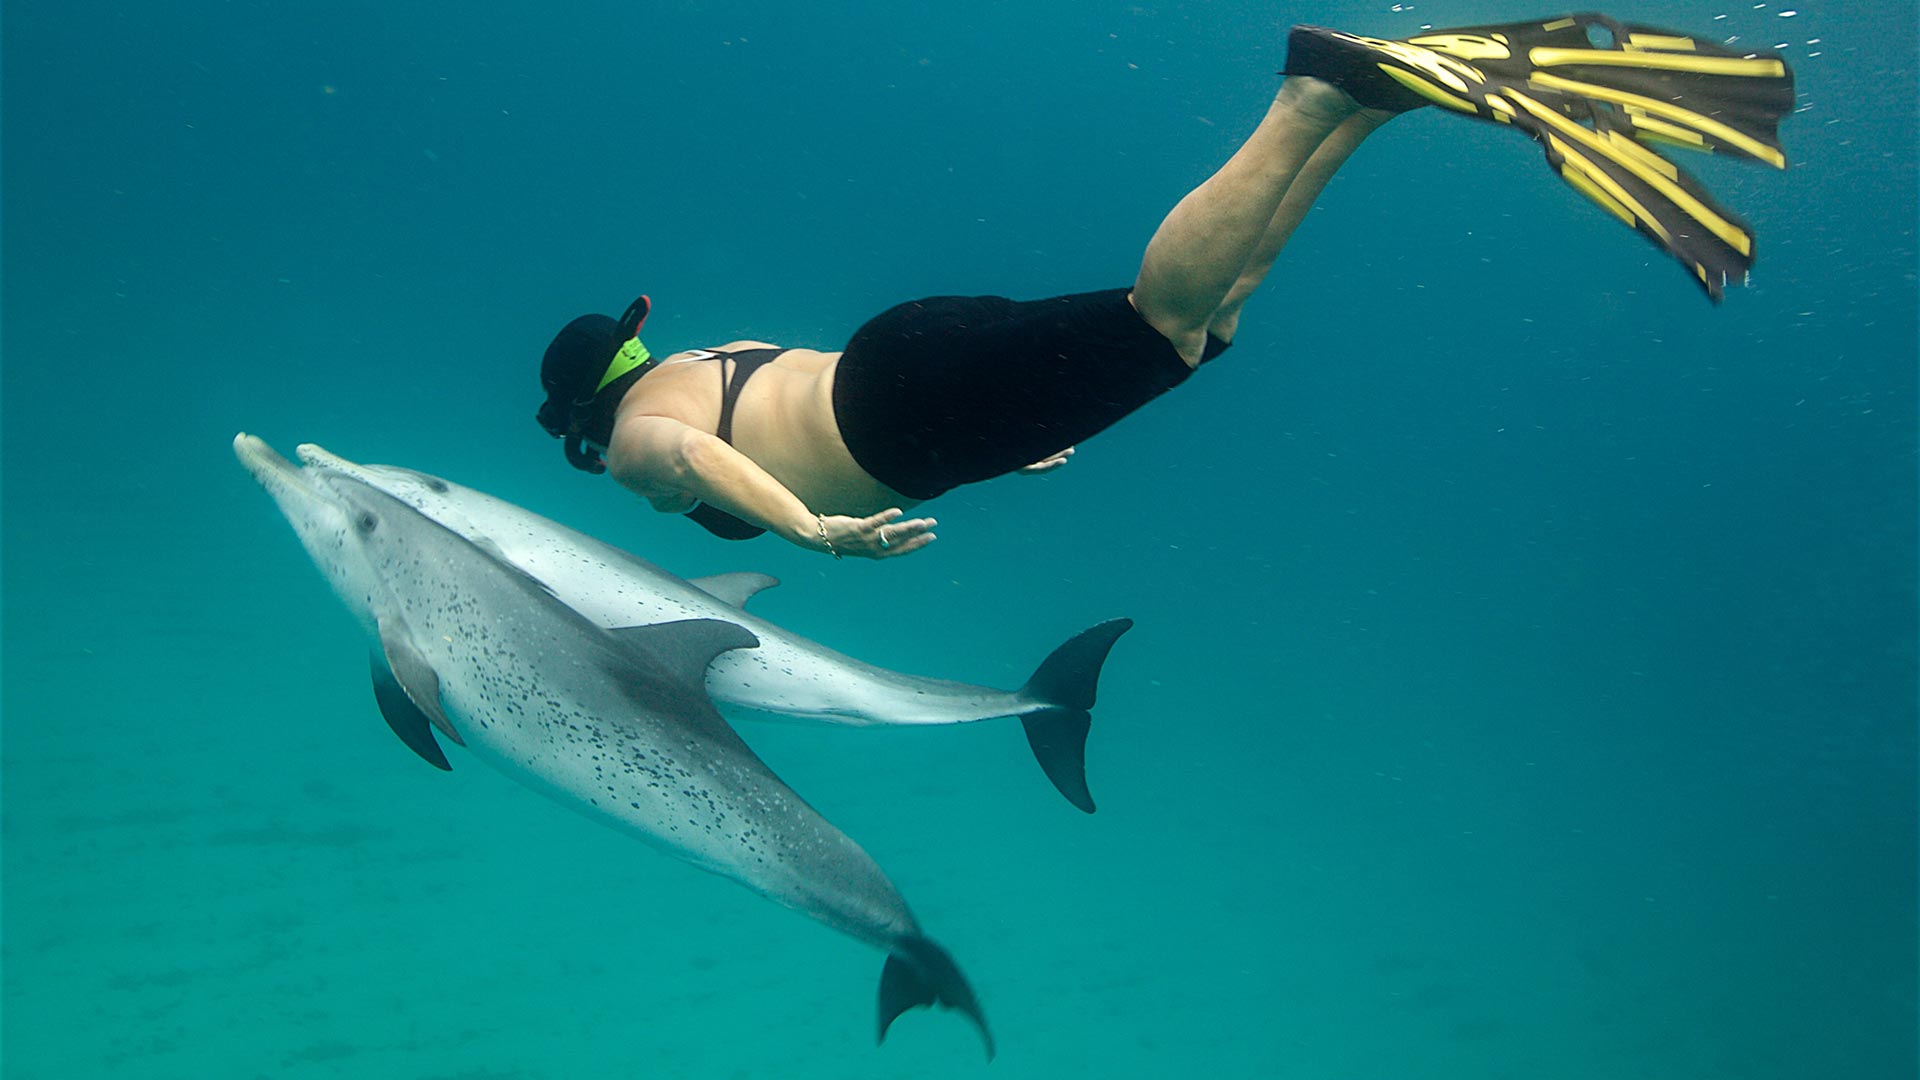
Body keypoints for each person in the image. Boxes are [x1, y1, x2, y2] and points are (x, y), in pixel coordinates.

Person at [536, 14, 1794, 560]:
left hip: (910, 415)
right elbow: (793, 402)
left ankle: (1306, 91)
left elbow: (707, 470)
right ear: (637, 346)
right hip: (911, 376)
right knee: (1206, 331)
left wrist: (813, 531)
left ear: (591, 416)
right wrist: (991, 434)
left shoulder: (645, 440)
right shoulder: (700, 363)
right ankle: (1364, 108)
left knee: (1164, 323)